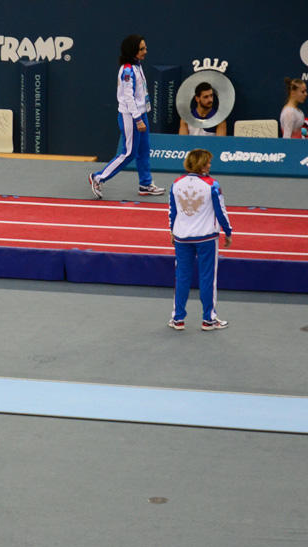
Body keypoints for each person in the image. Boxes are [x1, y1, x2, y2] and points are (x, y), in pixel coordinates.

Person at [89, 34, 164, 200]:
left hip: (141, 114)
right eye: (142, 49)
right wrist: (137, 119)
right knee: (128, 153)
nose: (146, 51)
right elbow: (128, 97)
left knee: (144, 150)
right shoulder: (128, 69)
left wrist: (142, 114)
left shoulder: (137, 66)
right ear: (133, 51)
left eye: (145, 47)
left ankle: (145, 184)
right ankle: (98, 177)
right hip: (130, 116)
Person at [168, 148, 231, 331]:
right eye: (208, 162)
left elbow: (172, 210)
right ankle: (208, 319)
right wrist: (228, 231)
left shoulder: (176, 183)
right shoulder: (212, 185)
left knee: (181, 278)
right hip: (206, 238)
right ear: (201, 165)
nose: (210, 165)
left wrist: (172, 230)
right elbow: (221, 211)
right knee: (207, 278)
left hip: (182, 238)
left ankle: (178, 319)